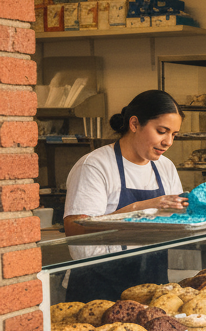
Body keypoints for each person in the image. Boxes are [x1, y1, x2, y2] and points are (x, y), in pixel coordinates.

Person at [63, 90, 187, 300]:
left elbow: (175, 224)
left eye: (174, 134)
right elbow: (74, 228)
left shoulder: (165, 167)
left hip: (151, 283)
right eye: (161, 131)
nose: (168, 142)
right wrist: (140, 208)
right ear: (134, 124)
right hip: (98, 286)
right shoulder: (95, 166)